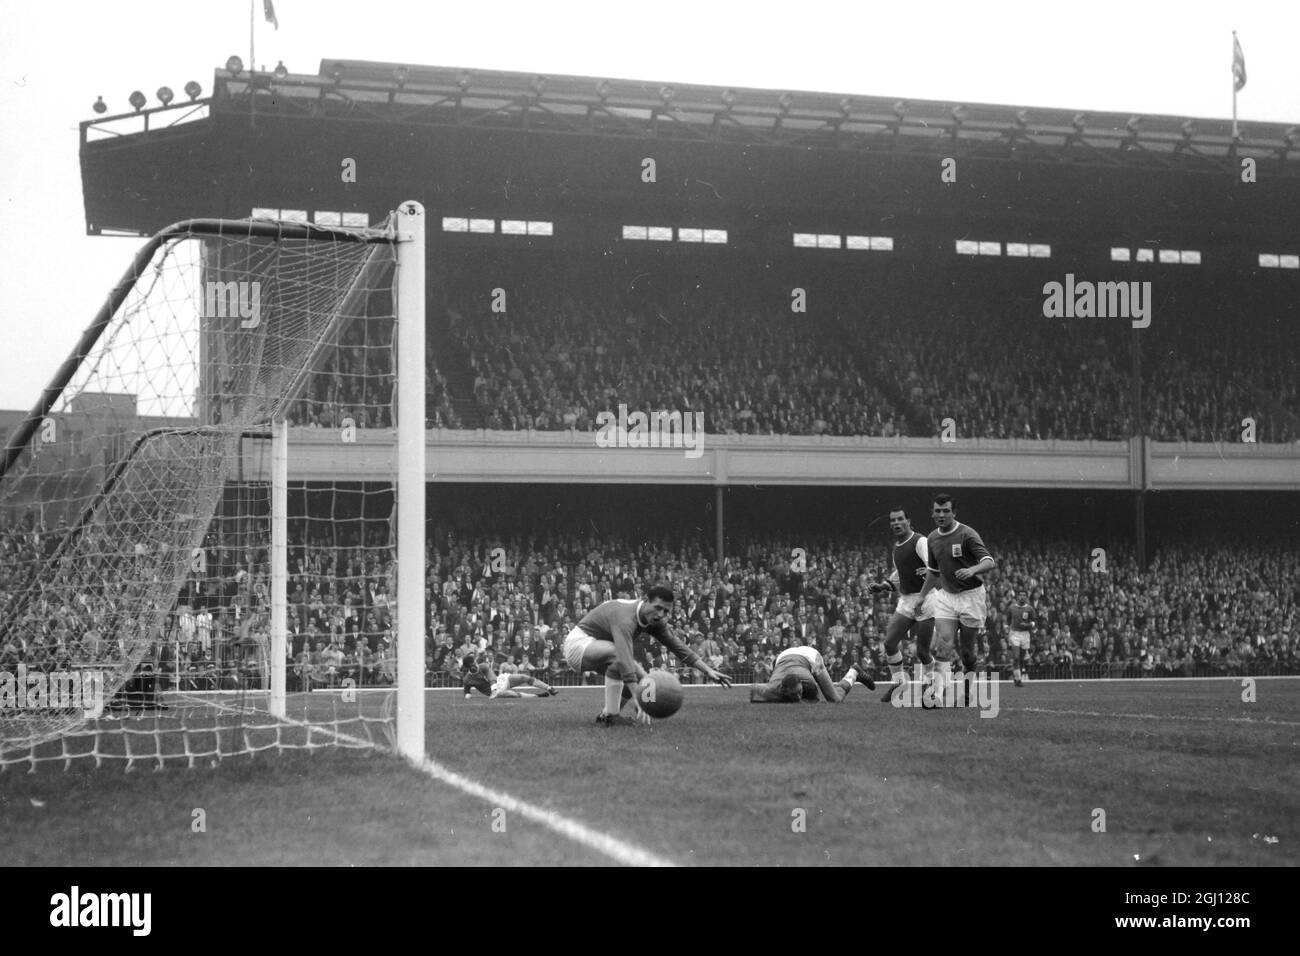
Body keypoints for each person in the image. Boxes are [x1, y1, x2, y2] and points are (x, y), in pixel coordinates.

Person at [561, 585, 732, 726]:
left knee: (635, 675)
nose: (660, 615)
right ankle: (613, 715)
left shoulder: (656, 622)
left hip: (597, 647)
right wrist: (639, 697)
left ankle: (607, 717)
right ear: (644, 601)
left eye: (666, 611)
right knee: (631, 668)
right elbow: (622, 655)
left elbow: (678, 647)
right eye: (657, 607)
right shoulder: (625, 618)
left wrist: (708, 670)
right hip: (577, 645)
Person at [917, 493, 996, 702]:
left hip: (971, 597)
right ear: (932, 513)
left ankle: (968, 691)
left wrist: (972, 570)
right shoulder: (932, 538)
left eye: (946, 511)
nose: (941, 515)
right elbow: (933, 571)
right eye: (937, 511)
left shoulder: (967, 534)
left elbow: (989, 562)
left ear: (954, 512)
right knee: (943, 645)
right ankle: (937, 695)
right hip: (946, 597)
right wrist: (922, 596)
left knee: (968, 652)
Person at [870, 506, 937, 703]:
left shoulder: (920, 541)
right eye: (893, 520)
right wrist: (883, 585)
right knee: (890, 643)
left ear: (908, 521)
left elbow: (935, 568)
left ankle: (929, 685)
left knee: (922, 651)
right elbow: (900, 574)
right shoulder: (897, 547)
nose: (896, 523)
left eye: (900, 519)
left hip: (926, 598)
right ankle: (899, 683)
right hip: (907, 599)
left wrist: (923, 592)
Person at [749, 638, 874, 702]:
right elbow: (753, 691)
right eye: (796, 694)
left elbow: (813, 700)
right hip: (784, 657)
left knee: (835, 698)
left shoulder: (808, 682)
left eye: (799, 692)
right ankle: (854, 672)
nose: (799, 696)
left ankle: (854, 671)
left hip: (811, 657)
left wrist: (779, 699)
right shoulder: (773, 686)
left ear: (801, 684)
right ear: (782, 689)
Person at [461, 655, 558, 699]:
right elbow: (467, 692)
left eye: (475, 661)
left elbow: (492, 678)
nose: (476, 664)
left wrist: (494, 690)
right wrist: (467, 695)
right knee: (513, 694)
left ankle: (549, 688)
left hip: (500, 682)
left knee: (523, 677)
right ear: (470, 666)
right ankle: (538, 696)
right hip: (494, 693)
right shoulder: (467, 679)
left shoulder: (483, 666)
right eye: (474, 663)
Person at [1006, 590, 1037, 687]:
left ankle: (1017, 676)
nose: (1022, 597)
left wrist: (1028, 624)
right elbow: (1007, 620)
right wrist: (1007, 629)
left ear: (1026, 597)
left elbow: (1034, 621)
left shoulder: (1030, 609)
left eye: (1024, 595)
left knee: (1021, 659)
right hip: (1015, 633)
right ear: (1017, 597)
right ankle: (1018, 679)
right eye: (1020, 595)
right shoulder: (1011, 607)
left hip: (1025, 634)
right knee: (1016, 657)